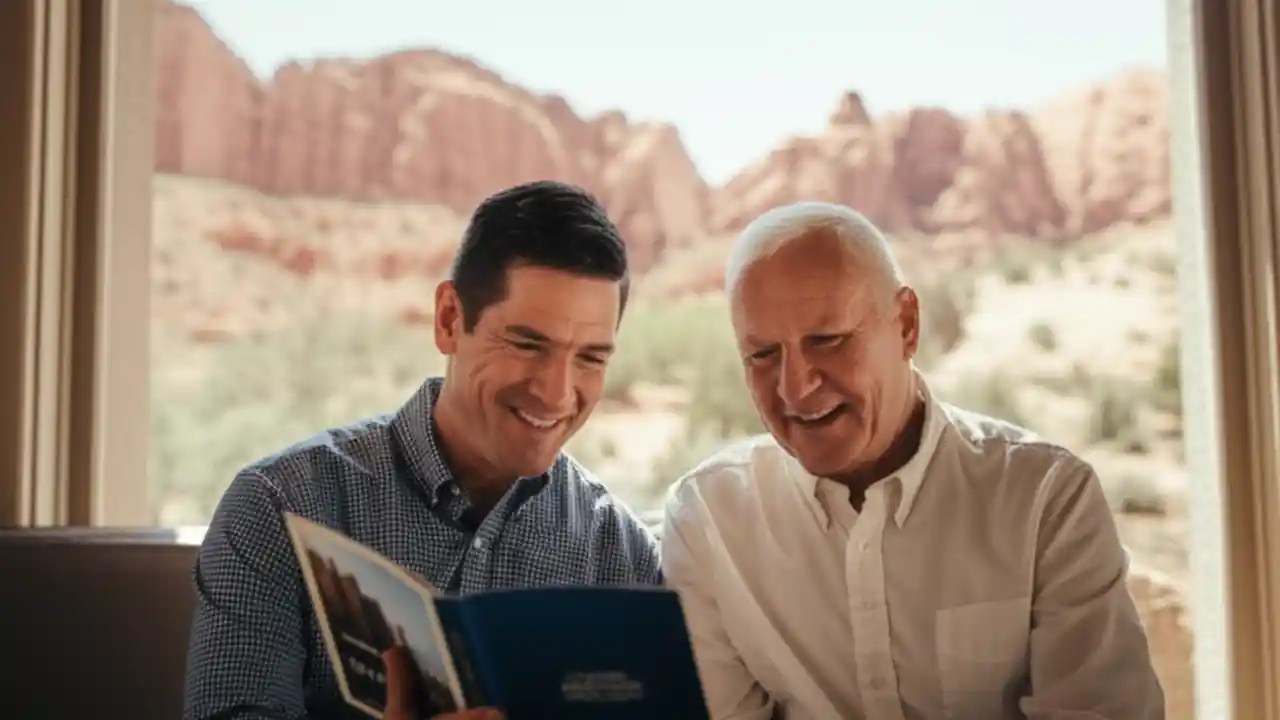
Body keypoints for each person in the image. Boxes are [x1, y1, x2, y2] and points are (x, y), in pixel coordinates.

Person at [661, 202, 1164, 719]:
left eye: (827, 341)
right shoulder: (709, 522)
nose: (795, 386)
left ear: (906, 326)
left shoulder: (1045, 500)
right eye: (762, 355)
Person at [183, 180, 661, 720]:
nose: (556, 392)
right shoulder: (277, 508)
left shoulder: (620, 553)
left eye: (591, 359)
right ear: (450, 320)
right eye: (528, 344)